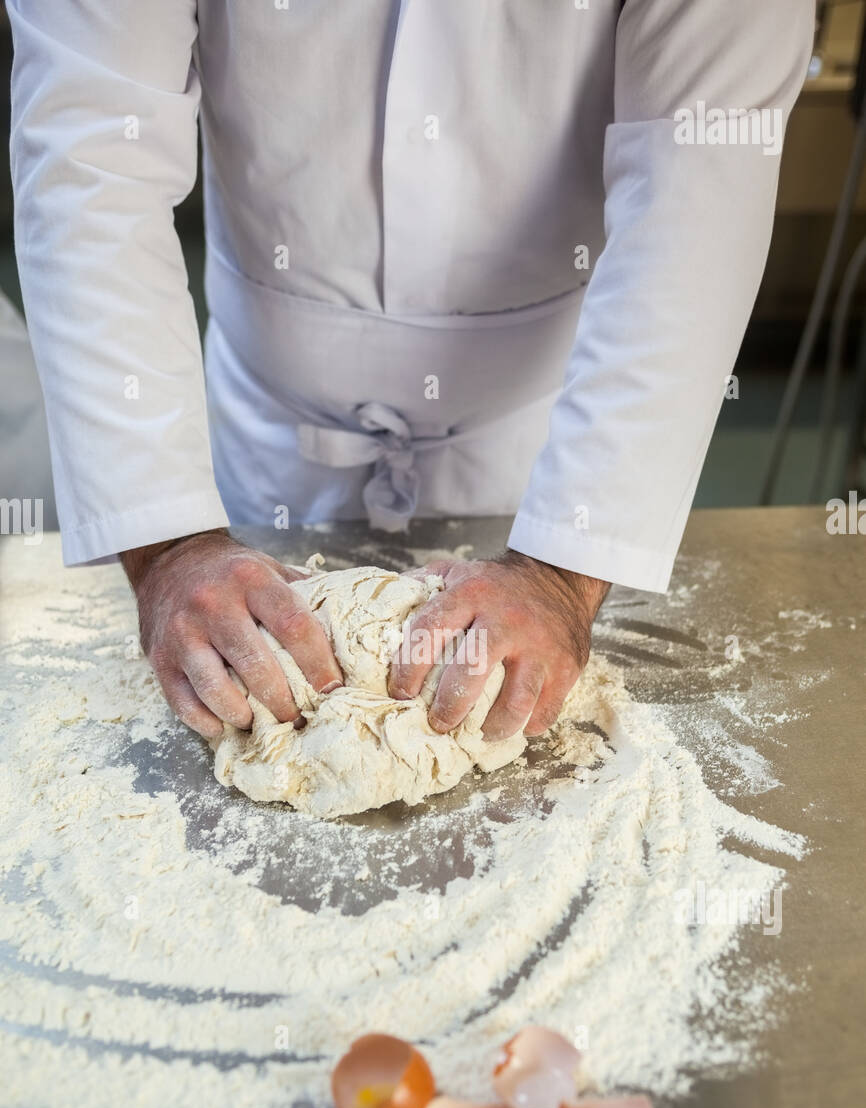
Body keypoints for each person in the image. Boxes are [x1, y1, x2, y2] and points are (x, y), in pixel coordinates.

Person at [8, 0, 814, 744]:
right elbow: (92, 156)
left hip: (547, 441)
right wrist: (168, 544)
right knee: (244, 693)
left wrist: (563, 574)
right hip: (268, 431)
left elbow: (695, 187)